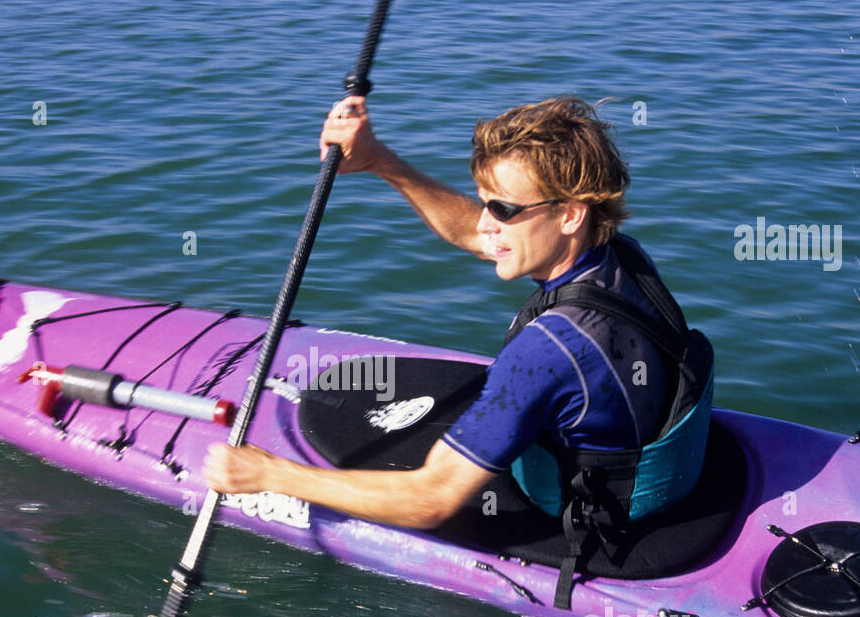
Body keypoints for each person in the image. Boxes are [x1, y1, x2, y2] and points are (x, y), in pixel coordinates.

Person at [204, 96, 711, 550]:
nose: (486, 222)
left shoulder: (546, 354)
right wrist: (380, 160)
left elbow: (433, 499)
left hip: (584, 509)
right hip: (647, 460)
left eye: (504, 208)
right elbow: (475, 232)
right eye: (485, 201)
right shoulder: (621, 256)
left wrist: (268, 473)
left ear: (571, 215)